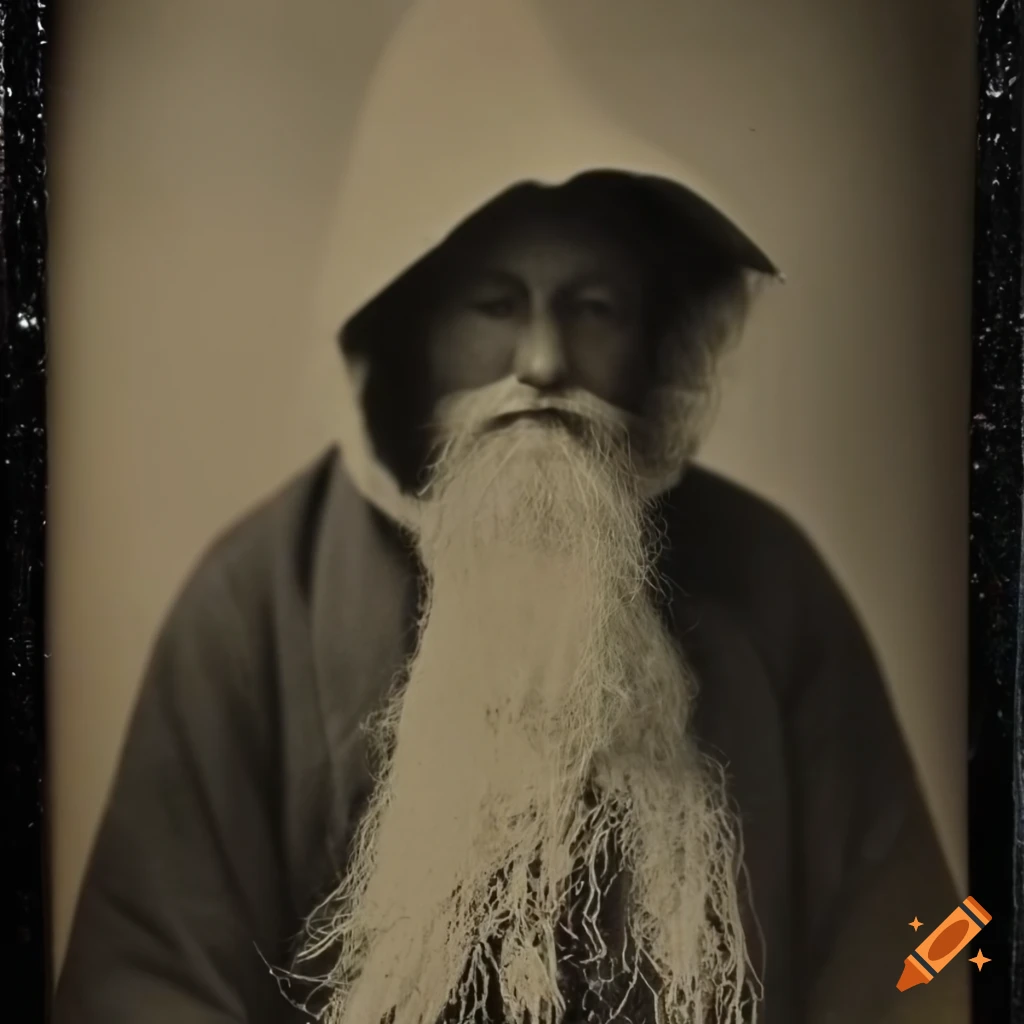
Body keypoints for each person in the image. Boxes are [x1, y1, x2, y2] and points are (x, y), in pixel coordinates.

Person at [55, 2, 966, 1022]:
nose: (541, 364)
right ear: (408, 336)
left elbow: (943, 932)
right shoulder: (254, 610)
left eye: (592, 307)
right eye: (493, 305)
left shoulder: (768, 581)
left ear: (654, 340)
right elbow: (134, 980)